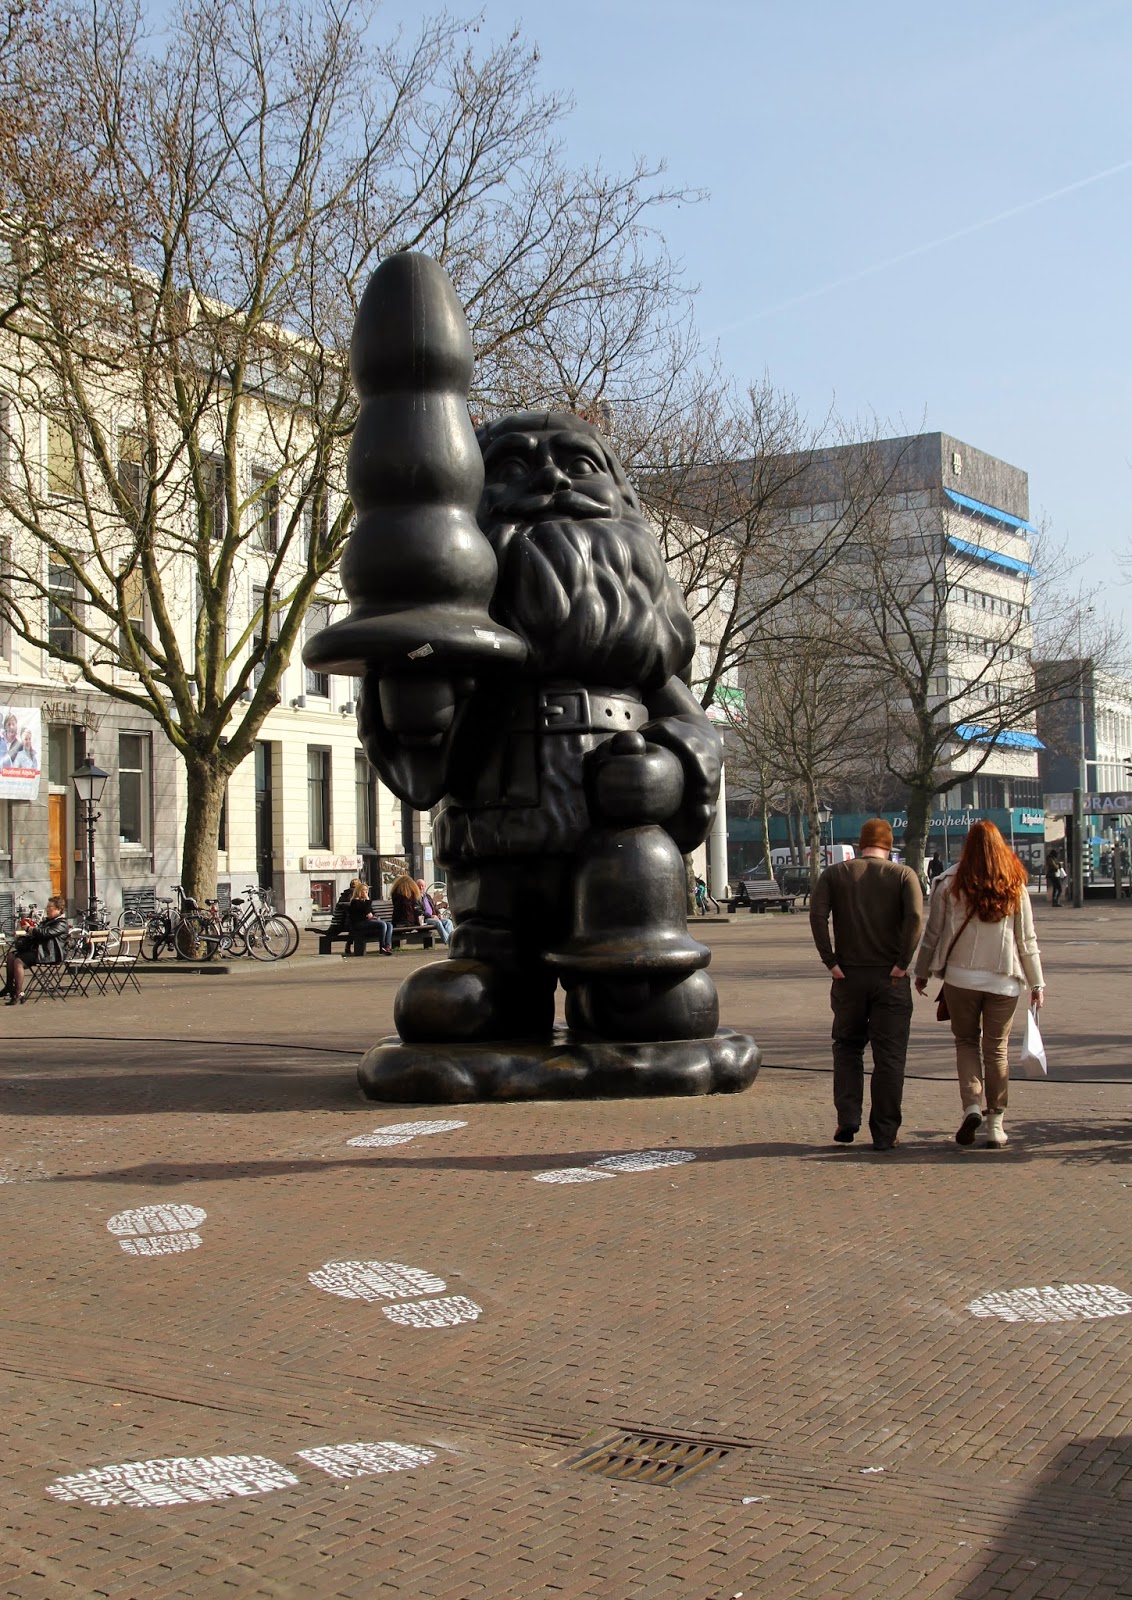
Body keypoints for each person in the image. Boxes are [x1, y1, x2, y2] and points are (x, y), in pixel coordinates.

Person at [914, 821, 1044, 1150]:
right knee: (996, 1049)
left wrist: (922, 972)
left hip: (960, 978)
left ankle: (972, 1105)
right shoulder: (1015, 885)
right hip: (1004, 979)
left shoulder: (949, 884)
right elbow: (1026, 940)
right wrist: (1037, 982)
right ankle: (995, 1124)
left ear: (967, 847)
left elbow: (933, 934)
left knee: (966, 1043)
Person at [809, 819, 924, 1150]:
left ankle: (848, 1118)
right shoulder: (903, 876)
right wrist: (903, 962)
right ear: (888, 846)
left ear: (861, 844)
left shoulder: (835, 874)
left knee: (847, 1047)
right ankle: (885, 1132)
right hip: (890, 977)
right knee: (889, 1056)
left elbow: (818, 916)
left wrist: (830, 961)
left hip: (848, 976)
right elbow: (915, 919)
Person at [1, 896, 69, 1004]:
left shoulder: (61, 923)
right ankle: (9, 987)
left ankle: (18, 993)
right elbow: (39, 932)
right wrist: (31, 927)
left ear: (58, 909)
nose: (47, 909)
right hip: (39, 951)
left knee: (18, 961)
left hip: (50, 954)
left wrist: (29, 928)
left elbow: (46, 933)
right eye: (47, 907)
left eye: (50, 907)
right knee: (11, 956)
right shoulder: (48, 921)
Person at [344, 878, 393, 955]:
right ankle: (382, 947)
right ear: (359, 891)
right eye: (364, 890)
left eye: (367, 890)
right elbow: (364, 912)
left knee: (389, 925)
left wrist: (373, 915)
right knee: (382, 924)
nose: (366, 892)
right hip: (359, 924)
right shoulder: (355, 902)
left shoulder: (364, 901)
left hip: (367, 921)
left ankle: (387, 947)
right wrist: (367, 900)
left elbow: (370, 912)